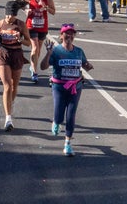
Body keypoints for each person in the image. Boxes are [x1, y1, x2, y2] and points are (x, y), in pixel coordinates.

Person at [40, 23, 93, 156]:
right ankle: (56, 122)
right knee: (59, 114)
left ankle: (67, 143)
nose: (69, 36)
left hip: (76, 87)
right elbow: (43, 67)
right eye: (66, 33)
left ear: (74, 36)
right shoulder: (57, 51)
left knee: (71, 115)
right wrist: (48, 54)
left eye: (71, 33)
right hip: (59, 87)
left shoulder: (79, 51)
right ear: (61, 35)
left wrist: (88, 66)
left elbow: (85, 65)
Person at [0, 0, 33, 132]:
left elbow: (28, 43)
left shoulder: (21, 25)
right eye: (7, 14)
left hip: (16, 54)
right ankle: (8, 118)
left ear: (16, 15)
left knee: (14, 86)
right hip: (3, 54)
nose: (9, 17)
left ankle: (10, 103)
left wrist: (20, 39)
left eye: (12, 15)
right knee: (7, 85)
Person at [25, 0, 56, 83]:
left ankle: (33, 65)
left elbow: (53, 11)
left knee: (38, 49)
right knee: (34, 48)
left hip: (42, 27)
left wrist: (46, 7)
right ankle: (34, 71)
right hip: (31, 26)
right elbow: (22, 5)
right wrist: (27, 10)